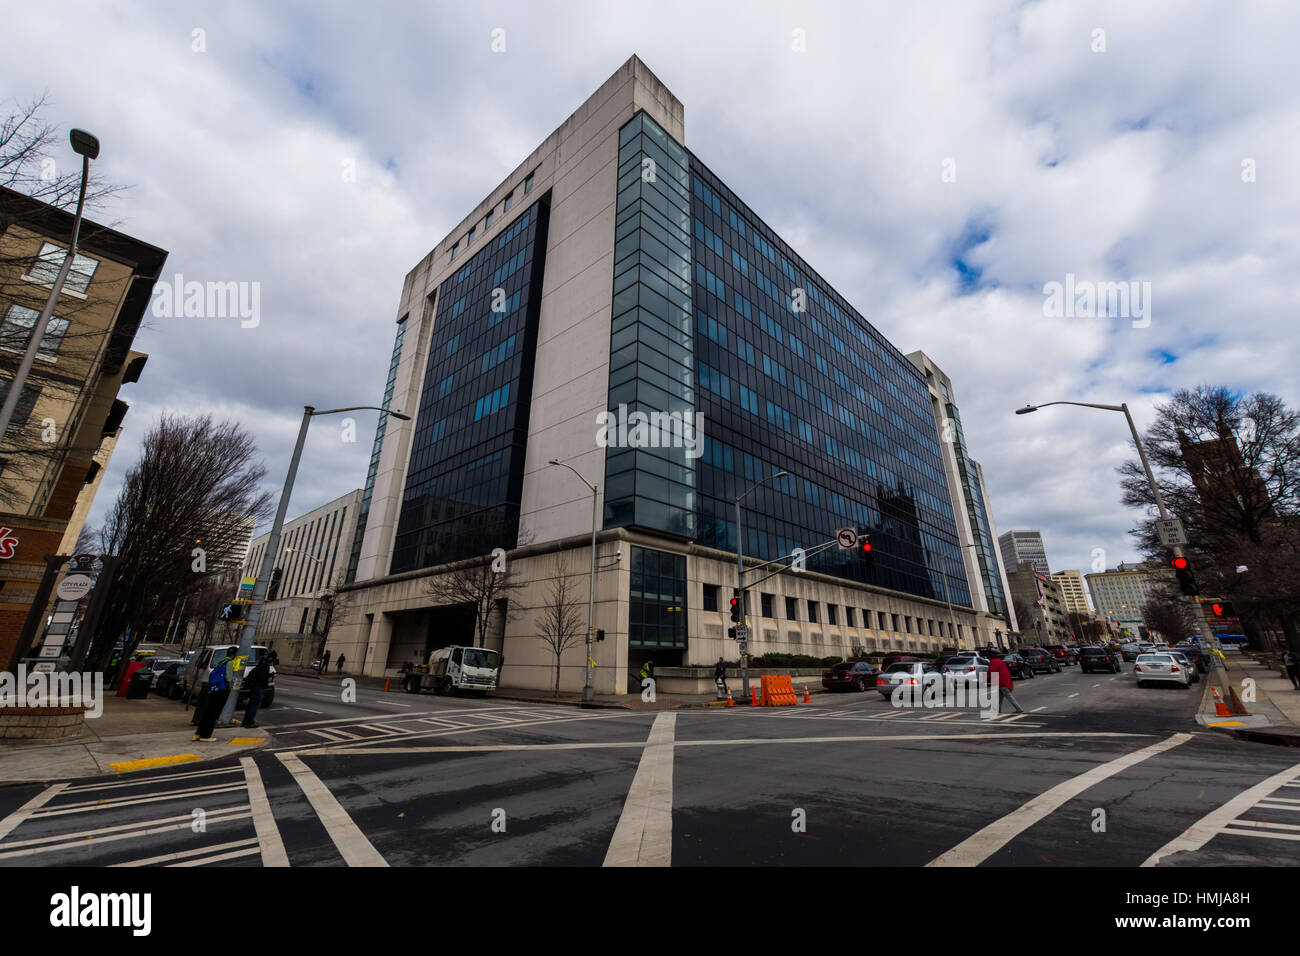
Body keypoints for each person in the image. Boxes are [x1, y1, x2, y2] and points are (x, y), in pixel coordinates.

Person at [195, 647, 238, 741]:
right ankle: (206, 736)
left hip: (214, 689)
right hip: (222, 690)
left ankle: (198, 733)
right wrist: (230, 687)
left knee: (208, 711)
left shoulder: (221, 662)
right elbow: (229, 678)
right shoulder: (229, 663)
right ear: (234, 654)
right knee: (214, 713)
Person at [986, 650, 1025, 714]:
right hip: (1004, 680)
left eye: (988, 655)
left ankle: (1019, 708)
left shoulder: (994, 662)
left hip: (1001, 681)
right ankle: (998, 710)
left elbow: (992, 672)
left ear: (991, 656)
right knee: (999, 697)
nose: (988, 657)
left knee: (1008, 696)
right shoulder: (1000, 661)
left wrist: (985, 679)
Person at [241, 657, 272, 728]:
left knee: (250, 705)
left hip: (253, 688)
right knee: (254, 706)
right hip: (259, 689)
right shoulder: (265, 667)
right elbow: (263, 679)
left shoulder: (257, 668)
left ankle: (245, 722)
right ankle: (249, 723)